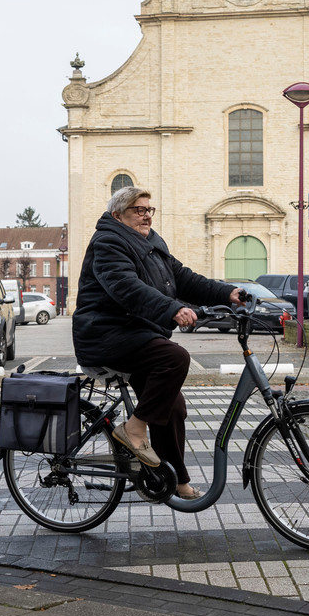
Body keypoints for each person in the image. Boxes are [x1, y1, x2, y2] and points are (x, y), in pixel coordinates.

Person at [72, 187, 243, 499]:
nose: (147, 215)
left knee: (172, 405)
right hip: (106, 335)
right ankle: (134, 430)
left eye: (149, 209)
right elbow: (127, 287)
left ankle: (173, 479)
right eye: (138, 210)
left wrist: (229, 293)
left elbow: (184, 279)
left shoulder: (151, 243)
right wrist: (172, 309)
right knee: (174, 357)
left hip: (135, 334)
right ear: (117, 215)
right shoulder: (108, 242)